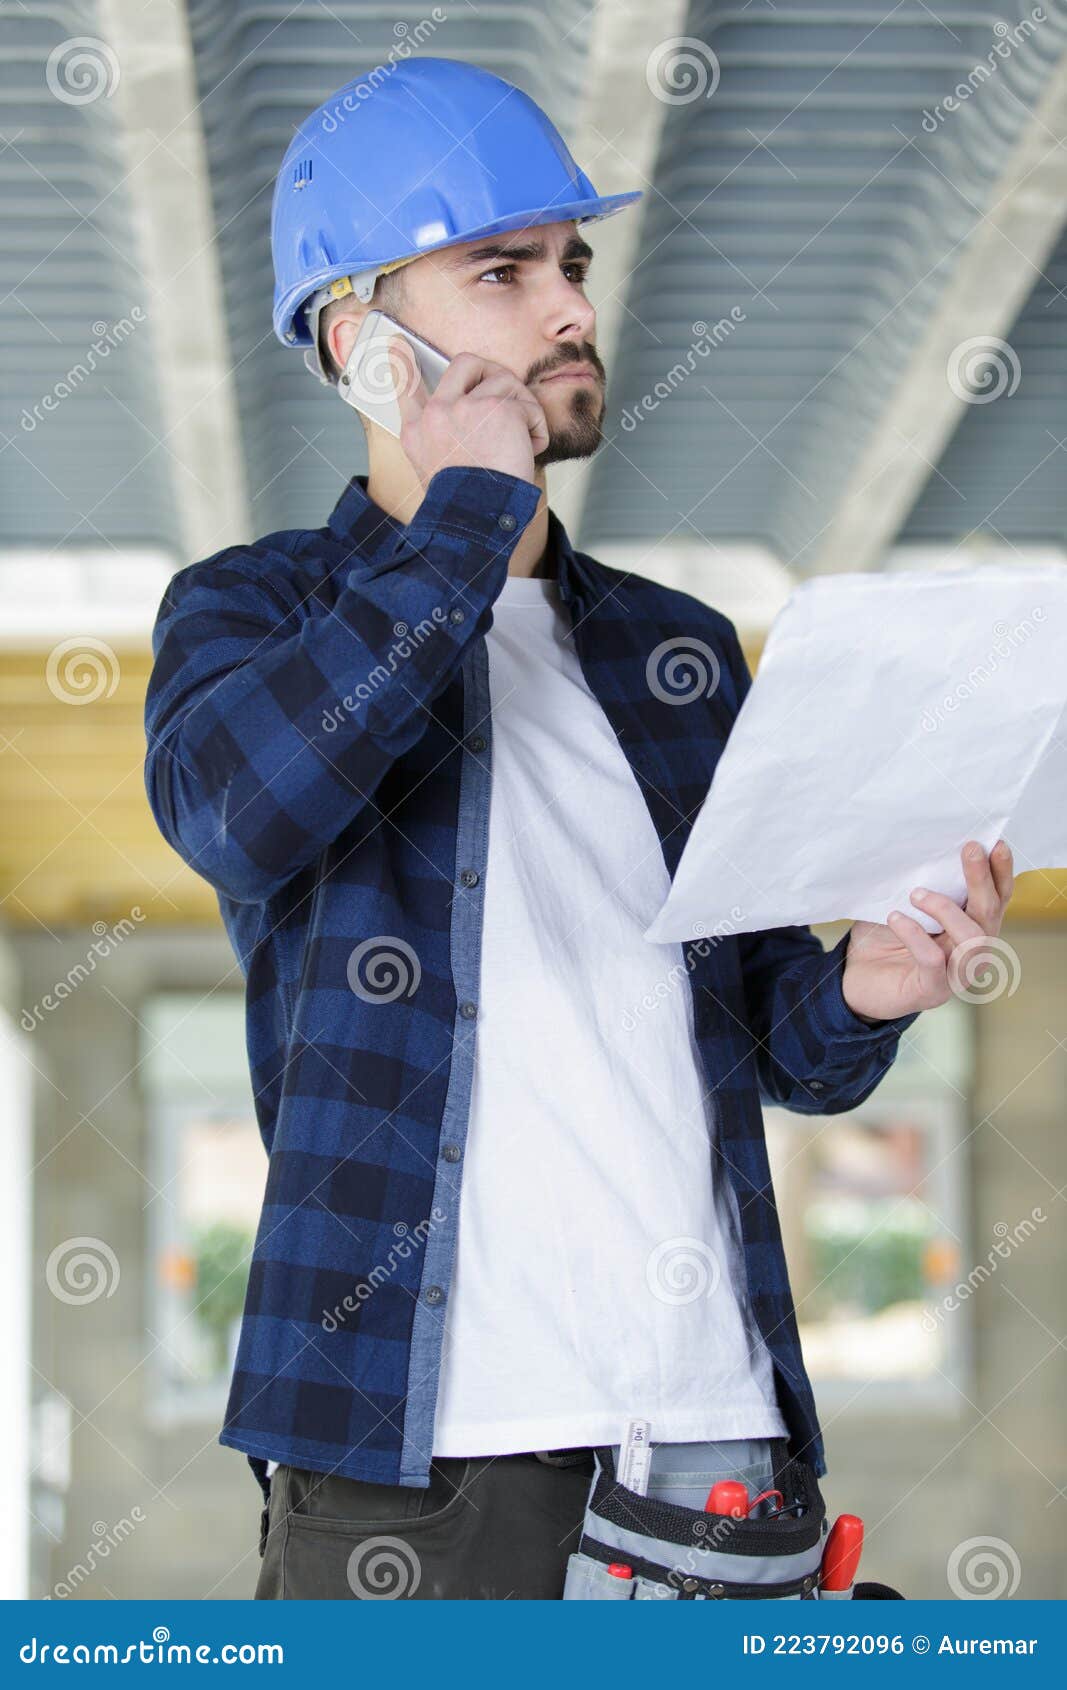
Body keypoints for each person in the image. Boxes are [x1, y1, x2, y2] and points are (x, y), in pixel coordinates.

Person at [143, 57, 1015, 1600]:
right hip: (425, 1463)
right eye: (502, 271)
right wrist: (469, 521)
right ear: (363, 346)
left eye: (570, 265)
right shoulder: (258, 608)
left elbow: (766, 1039)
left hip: (718, 1447)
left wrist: (867, 985)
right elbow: (242, 810)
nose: (568, 310)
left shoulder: (675, 657)